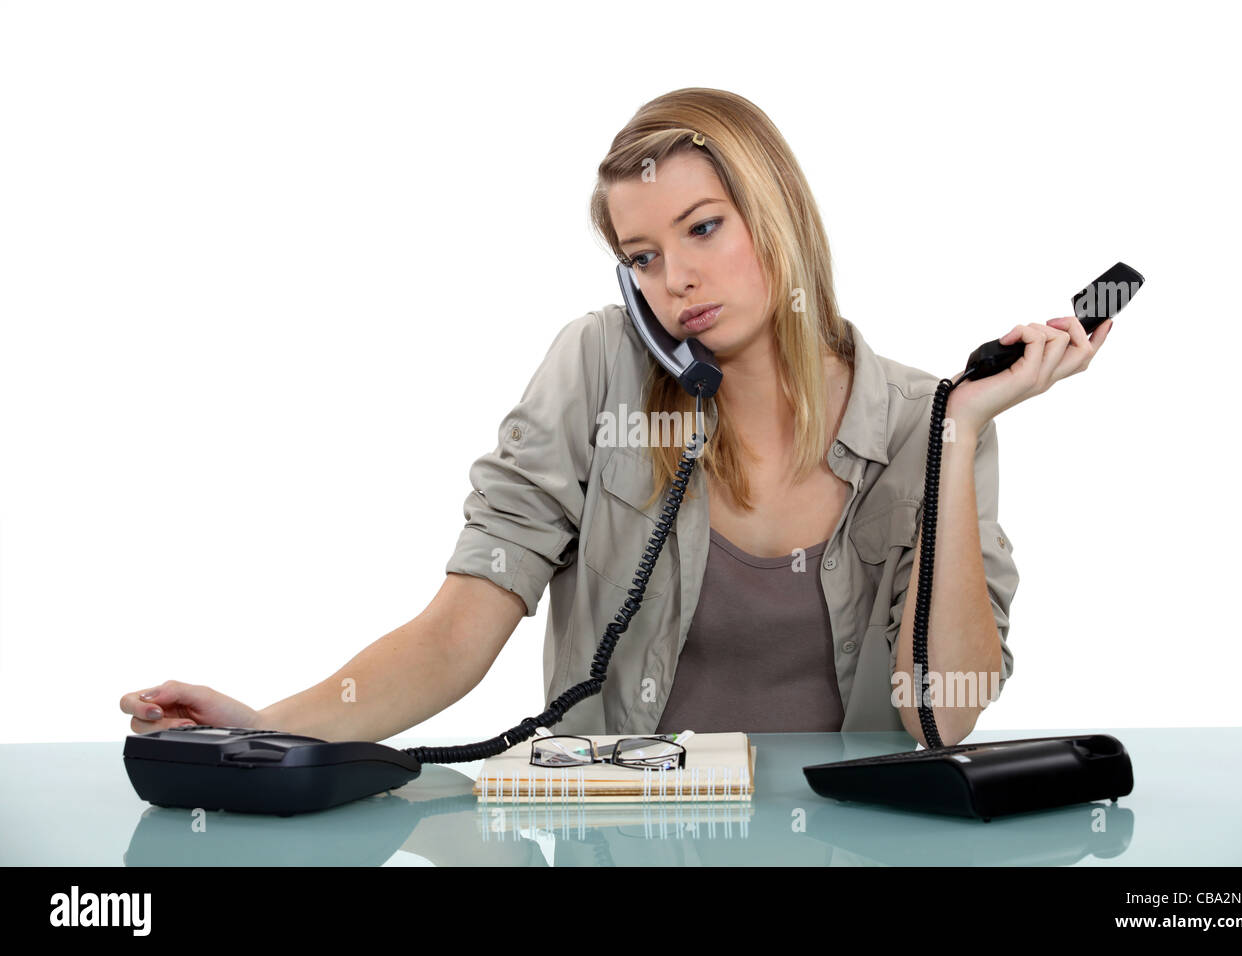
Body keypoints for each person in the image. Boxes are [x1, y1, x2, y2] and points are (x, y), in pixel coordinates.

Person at [120, 88, 1111, 748]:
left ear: (777, 215)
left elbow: (941, 716)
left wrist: (958, 433)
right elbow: (457, 631)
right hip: (614, 847)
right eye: (641, 255)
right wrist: (265, 731)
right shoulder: (597, 367)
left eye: (703, 228)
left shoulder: (924, 423)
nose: (676, 278)